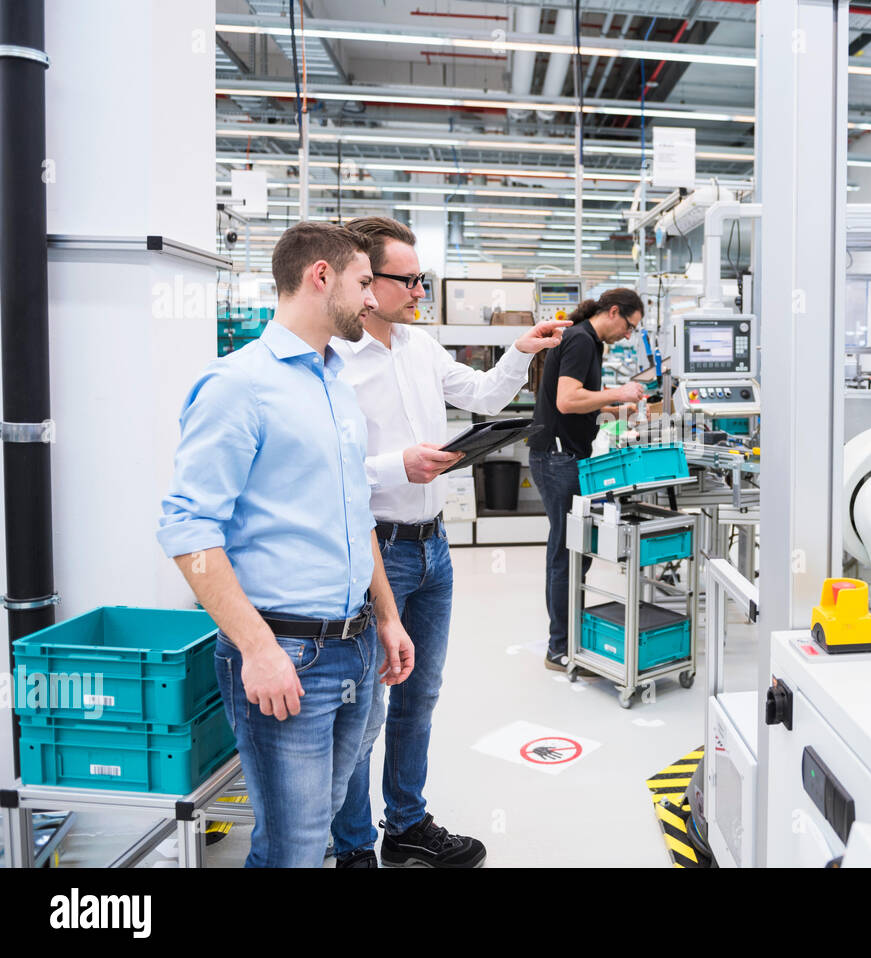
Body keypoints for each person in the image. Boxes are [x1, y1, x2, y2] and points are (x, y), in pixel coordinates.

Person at [157, 222, 416, 868]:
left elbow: (356, 515)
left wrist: (386, 617)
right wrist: (257, 648)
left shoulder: (336, 384)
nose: (371, 300)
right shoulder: (237, 386)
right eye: (363, 284)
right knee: (293, 848)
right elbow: (189, 531)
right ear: (319, 277)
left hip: (355, 648)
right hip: (288, 654)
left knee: (313, 829)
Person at [329, 216, 570, 869]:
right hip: (373, 551)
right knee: (363, 707)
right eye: (406, 279)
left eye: (421, 278)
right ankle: (351, 845)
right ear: (364, 281)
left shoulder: (420, 346)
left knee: (419, 694)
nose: (418, 289)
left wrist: (522, 351)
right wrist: (394, 466)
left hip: (433, 550)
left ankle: (404, 823)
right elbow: (323, 468)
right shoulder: (332, 362)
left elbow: (486, 398)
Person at [528, 289, 647, 672]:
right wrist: (619, 391)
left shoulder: (589, 342)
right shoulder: (581, 339)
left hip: (564, 454)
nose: (628, 336)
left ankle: (568, 638)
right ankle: (559, 648)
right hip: (556, 458)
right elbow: (566, 400)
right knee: (566, 553)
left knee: (569, 551)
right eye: (630, 327)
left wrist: (613, 407)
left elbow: (578, 403)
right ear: (614, 312)